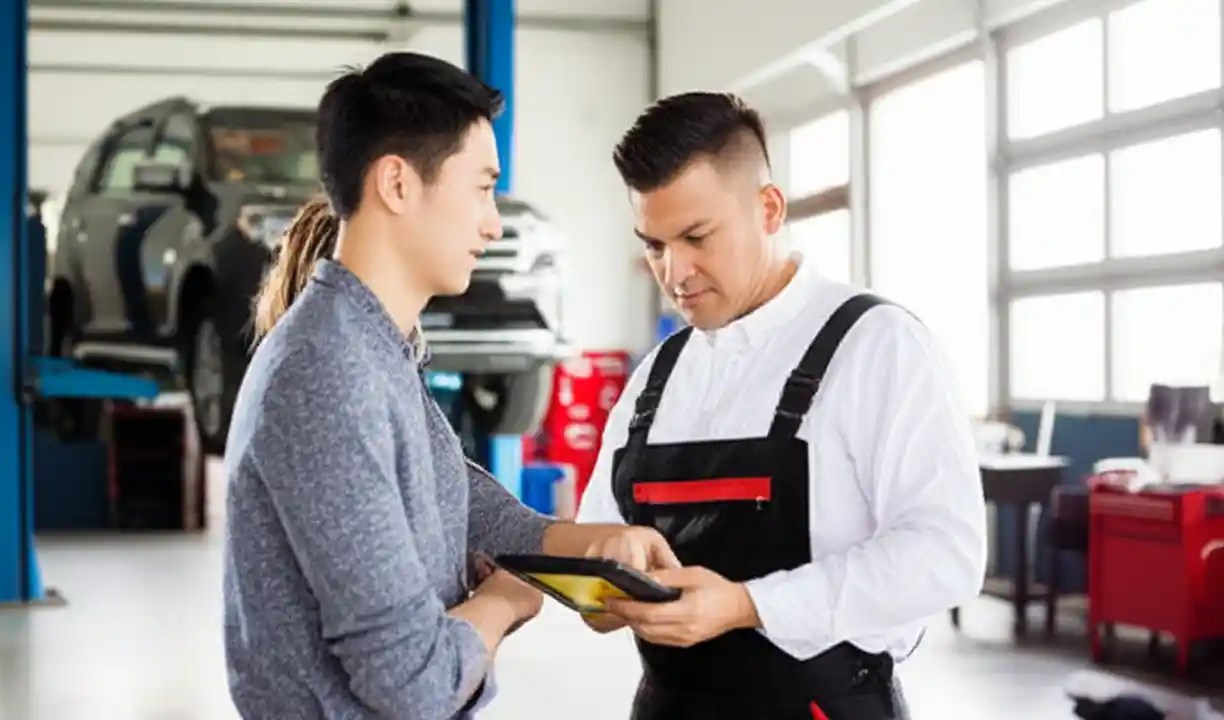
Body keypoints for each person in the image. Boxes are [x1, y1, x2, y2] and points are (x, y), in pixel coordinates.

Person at [221, 52, 678, 720]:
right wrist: (503, 602)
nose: (492, 223)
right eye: (482, 187)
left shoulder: (376, 348)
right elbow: (414, 683)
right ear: (398, 185)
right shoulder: (327, 375)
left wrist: (585, 545)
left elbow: (453, 497)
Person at [574, 91, 988, 719]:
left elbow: (946, 555)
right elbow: (596, 536)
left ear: (769, 209)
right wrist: (605, 583)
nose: (675, 272)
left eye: (696, 237)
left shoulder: (875, 345)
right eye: (654, 246)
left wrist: (745, 604)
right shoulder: (656, 375)